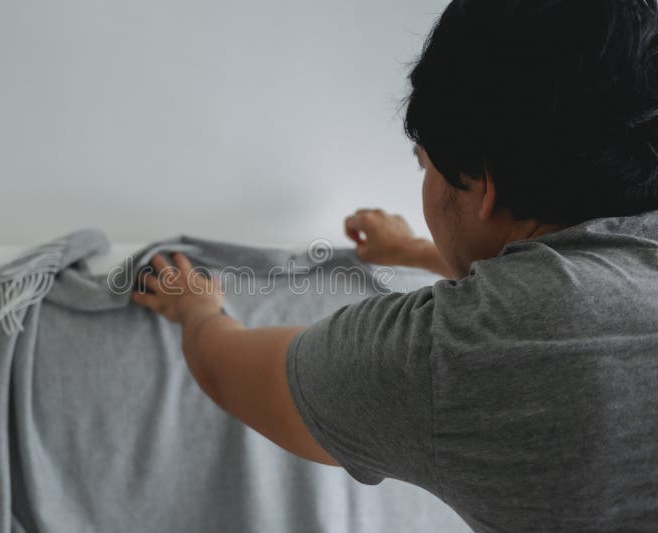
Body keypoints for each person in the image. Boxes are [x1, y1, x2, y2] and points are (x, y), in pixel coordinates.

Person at [132, 1, 658, 530]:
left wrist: (197, 310)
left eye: (425, 166)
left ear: (482, 187)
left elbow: (232, 374)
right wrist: (410, 252)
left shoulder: (451, 354)